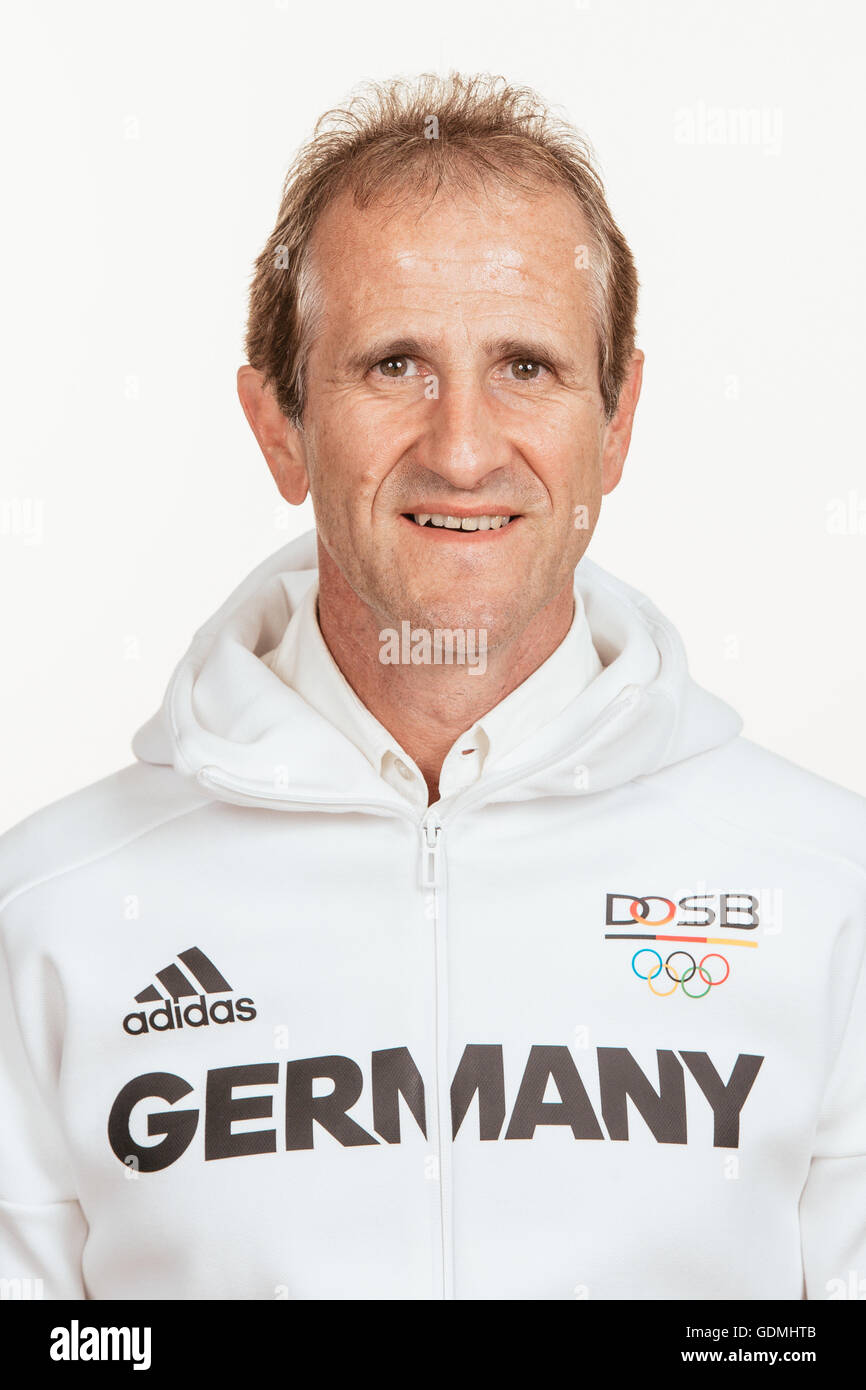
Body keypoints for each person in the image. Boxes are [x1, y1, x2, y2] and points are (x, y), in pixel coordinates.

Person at [1, 71, 864, 1302]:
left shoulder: (831, 898)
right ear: (279, 425)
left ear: (615, 422)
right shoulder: (48, 919)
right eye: (393, 363)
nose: (461, 448)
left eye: (525, 366)